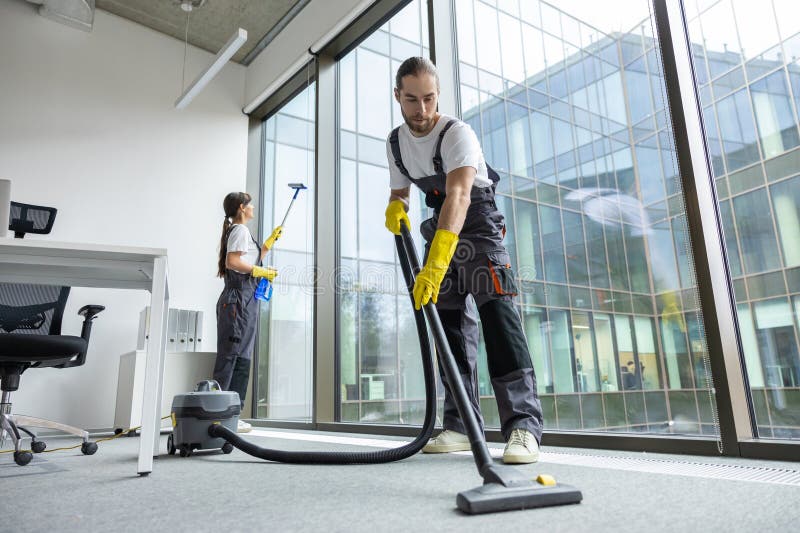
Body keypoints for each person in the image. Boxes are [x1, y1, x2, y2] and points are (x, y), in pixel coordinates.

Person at [384, 57, 543, 464]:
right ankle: (459, 424)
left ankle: (523, 427)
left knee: (498, 318)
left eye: (430, 99)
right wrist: (395, 207)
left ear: (438, 95)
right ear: (398, 97)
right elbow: (401, 192)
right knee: (448, 327)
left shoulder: (457, 134)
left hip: (476, 222)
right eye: (412, 100)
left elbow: (459, 195)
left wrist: (435, 264)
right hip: (439, 224)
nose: (422, 110)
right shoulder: (395, 142)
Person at [215, 192, 282, 433]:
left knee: (241, 358)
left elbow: (248, 259)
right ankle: (221, 415)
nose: (252, 207)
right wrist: (261, 272)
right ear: (242, 208)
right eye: (250, 204)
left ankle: (231, 414)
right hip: (238, 302)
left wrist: (267, 245)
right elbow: (232, 262)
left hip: (244, 302)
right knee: (232, 358)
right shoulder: (239, 230)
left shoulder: (240, 232)